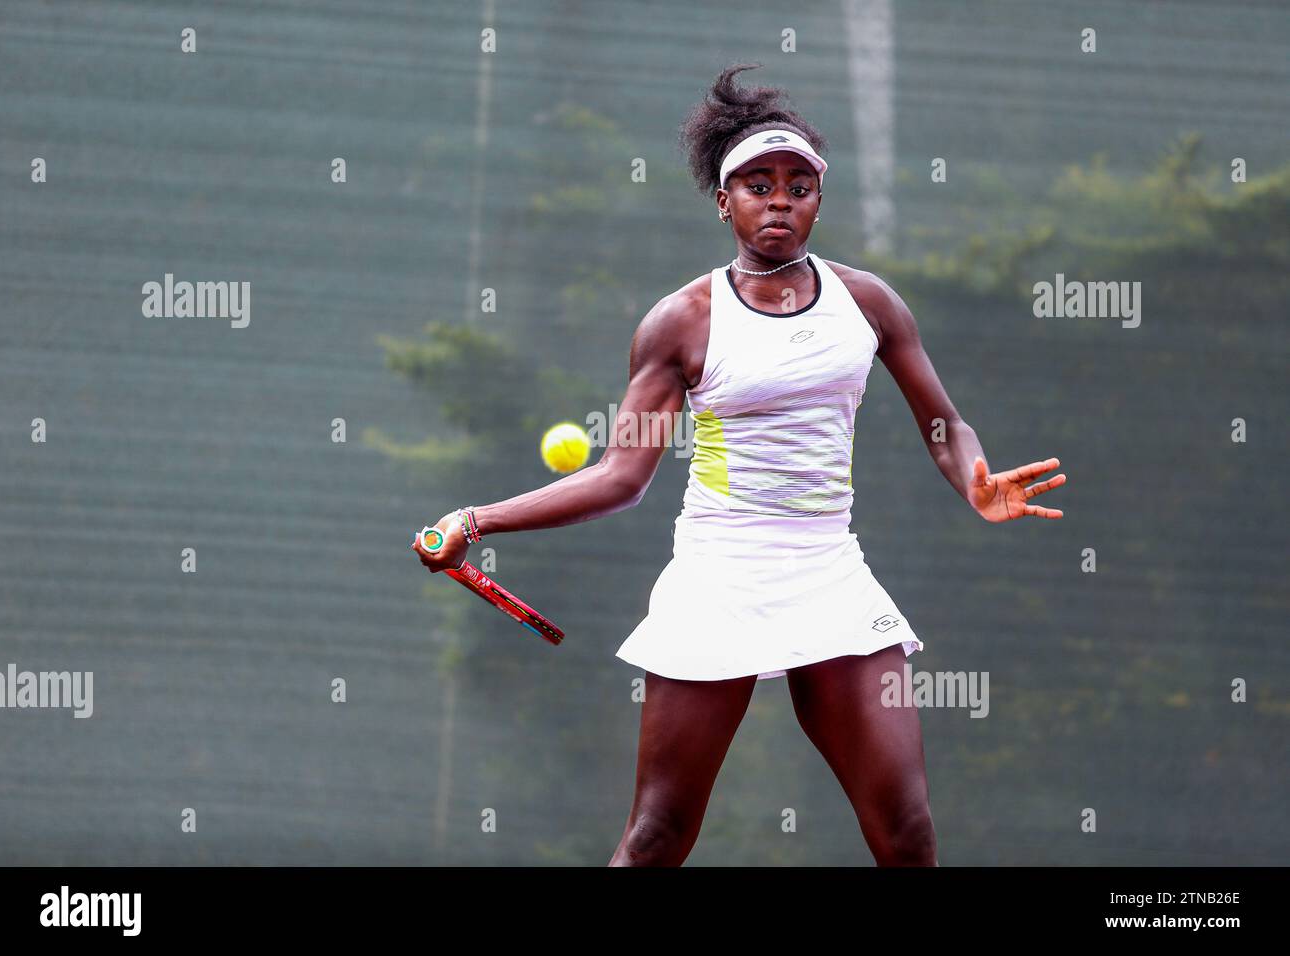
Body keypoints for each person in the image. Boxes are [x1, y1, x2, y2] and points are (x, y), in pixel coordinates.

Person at [414, 63, 1066, 867]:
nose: (780, 200)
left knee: (909, 833)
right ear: (726, 201)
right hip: (719, 578)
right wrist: (477, 518)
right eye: (759, 184)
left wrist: (975, 477)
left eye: (799, 184)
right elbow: (621, 478)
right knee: (656, 836)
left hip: (832, 572)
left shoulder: (869, 303)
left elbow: (944, 423)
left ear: (819, 199)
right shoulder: (680, 322)